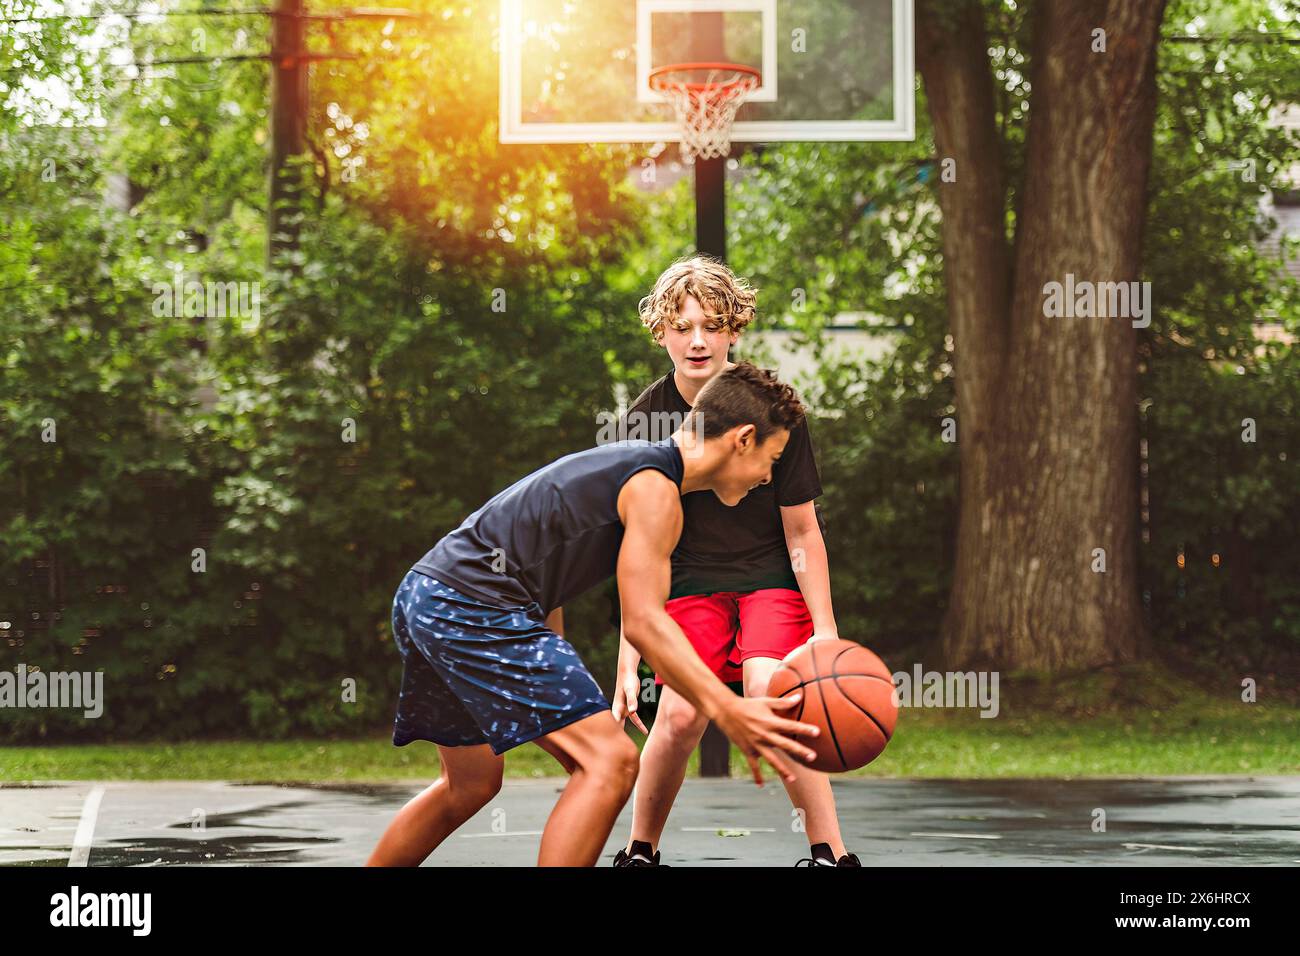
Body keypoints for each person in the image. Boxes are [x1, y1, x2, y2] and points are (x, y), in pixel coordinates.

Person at [366, 362, 821, 867]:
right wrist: (728, 708)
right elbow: (646, 623)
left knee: (468, 785)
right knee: (610, 762)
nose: (767, 477)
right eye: (772, 459)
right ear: (743, 439)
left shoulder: (631, 467)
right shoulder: (655, 491)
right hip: (469, 603)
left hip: (428, 593)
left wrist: (557, 672)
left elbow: (541, 568)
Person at [610, 256, 859, 867]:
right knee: (678, 714)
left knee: (771, 696)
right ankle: (640, 852)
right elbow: (638, 551)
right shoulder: (643, 422)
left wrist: (825, 632)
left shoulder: (773, 407)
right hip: (689, 581)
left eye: (712, 324)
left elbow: (802, 529)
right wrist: (629, 651)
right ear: (661, 331)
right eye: (683, 325)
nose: (698, 340)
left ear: (734, 330)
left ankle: (830, 856)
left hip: (770, 577)